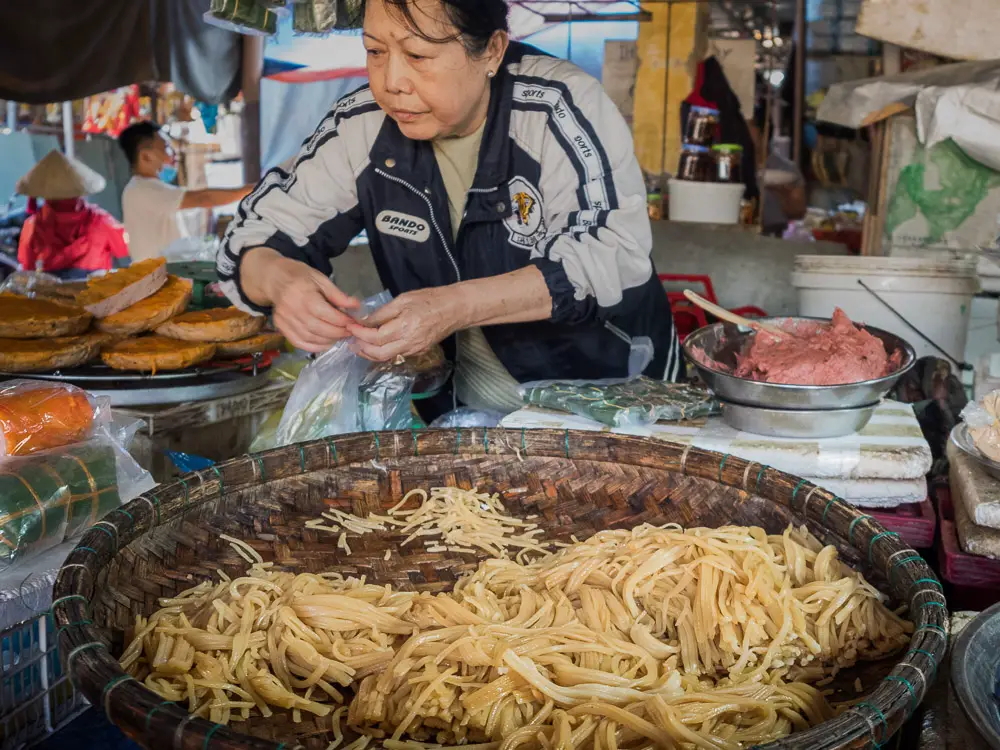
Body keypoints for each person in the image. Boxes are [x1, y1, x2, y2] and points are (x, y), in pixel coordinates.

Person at [218, 0, 682, 419]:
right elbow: (253, 237)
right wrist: (281, 281)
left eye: (418, 56)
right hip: (459, 421)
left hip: (611, 406)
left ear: (492, 51)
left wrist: (452, 306)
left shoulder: (556, 106)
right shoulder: (363, 127)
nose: (391, 82)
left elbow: (614, 253)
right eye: (375, 52)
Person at [119, 121, 253, 262]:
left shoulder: (141, 189)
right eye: (166, 148)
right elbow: (203, 198)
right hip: (158, 278)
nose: (174, 154)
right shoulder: (143, 191)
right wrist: (251, 189)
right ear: (145, 156)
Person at [15, 150, 129, 280]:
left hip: (52, 298)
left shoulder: (32, 225)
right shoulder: (101, 221)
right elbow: (125, 248)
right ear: (79, 190)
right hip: (95, 295)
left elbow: (27, 266)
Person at [748, 110, 807, 236]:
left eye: (749, 126)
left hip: (774, 236)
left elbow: (798, 213)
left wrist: (783, 193)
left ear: (764, 132)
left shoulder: (787, 170)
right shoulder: (733, 164)